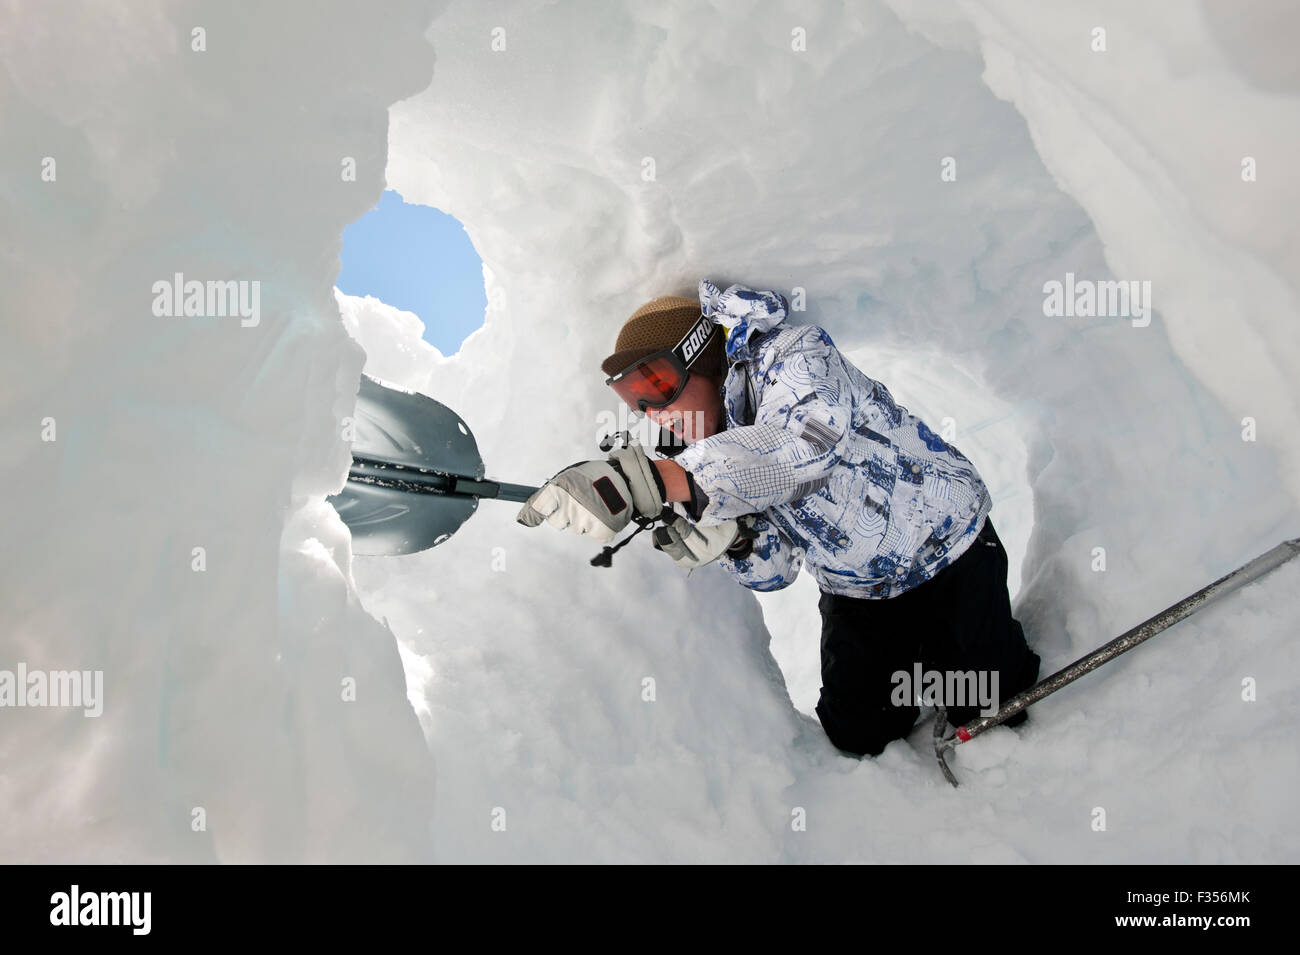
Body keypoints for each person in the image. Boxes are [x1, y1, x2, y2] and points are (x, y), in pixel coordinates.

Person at [516, 279, 1041, 756]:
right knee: (858, 734)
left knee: (992, 705)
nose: (652, 411)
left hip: (946, 543)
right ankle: (924, 660)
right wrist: (733, 543)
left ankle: (960, 655)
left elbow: (805, 445)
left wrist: (666, 480)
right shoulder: (700, 450)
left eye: (654, 382)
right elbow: (779, 569)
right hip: (858, 589)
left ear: (702, 356)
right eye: (633, 399)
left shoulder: (792, 355)